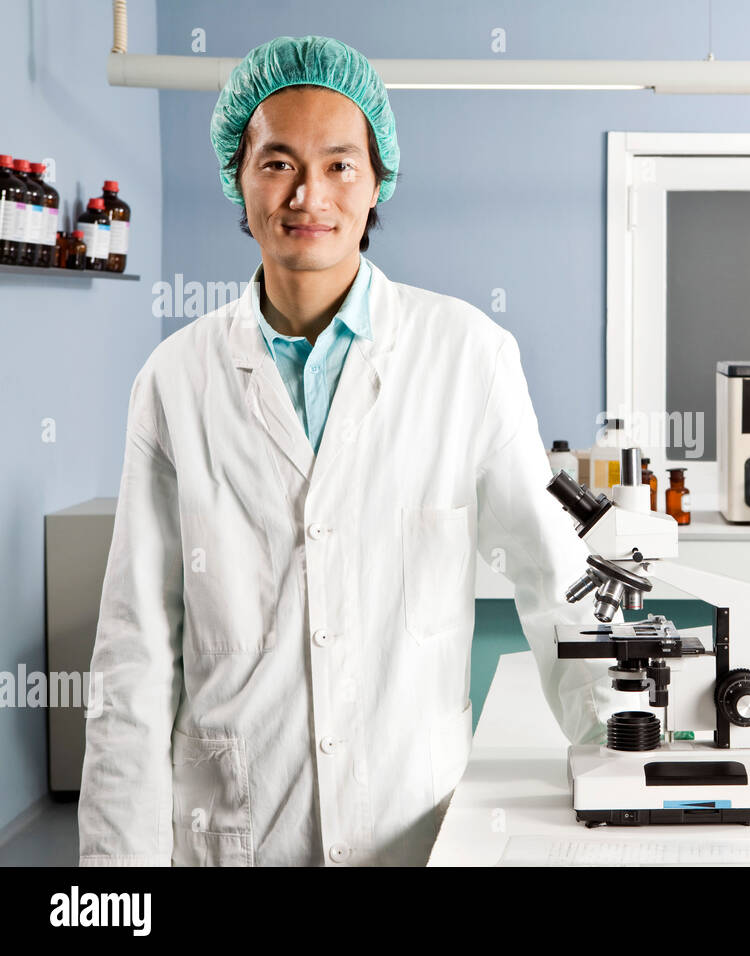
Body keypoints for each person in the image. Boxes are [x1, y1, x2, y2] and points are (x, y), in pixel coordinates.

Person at [78, 35, 612, 866]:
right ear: (238, 178)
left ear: (377, 183)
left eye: (339, 165)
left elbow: (554, 583)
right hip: (235, 830)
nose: (308, 195)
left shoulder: (468, 355)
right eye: (277, 162)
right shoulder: (175, 381)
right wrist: (116, 880)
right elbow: (137, 651)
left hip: (413, 820)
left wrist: (623, 763)